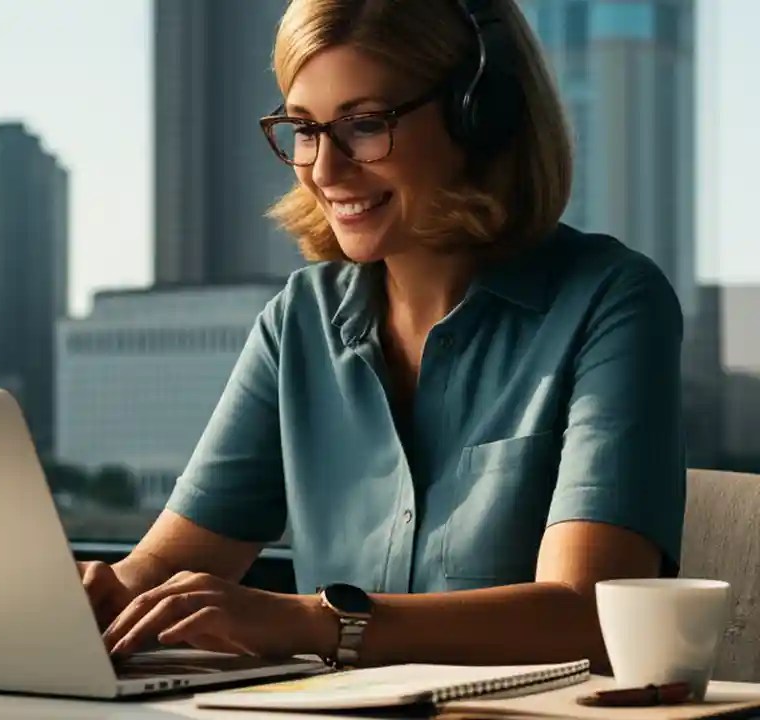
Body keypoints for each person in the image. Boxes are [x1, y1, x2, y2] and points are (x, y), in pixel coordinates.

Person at [80, 0, 685, 673]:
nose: (325, 171)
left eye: (365, 126)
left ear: (481, 118)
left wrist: (315, 621)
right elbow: (168, 566)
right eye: (304, 130)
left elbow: (587, 616)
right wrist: (101, 596)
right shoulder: (299, 319)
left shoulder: (610, 300)